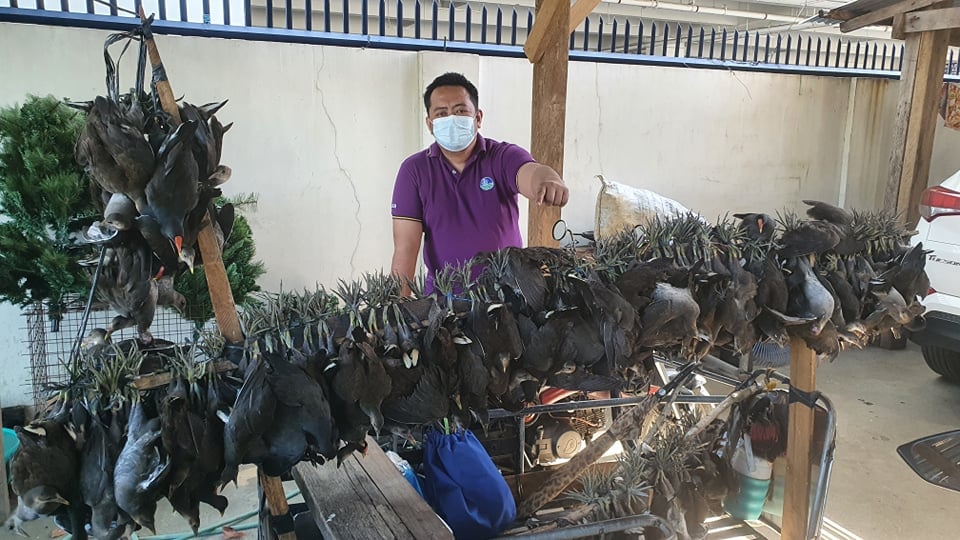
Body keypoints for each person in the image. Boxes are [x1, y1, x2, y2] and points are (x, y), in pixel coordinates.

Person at [390, 72, 569, 294]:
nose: (452, 119)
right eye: (441, 113)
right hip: (443, 305)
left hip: (507, 299)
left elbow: (530, 173)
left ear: (478, 118)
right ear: (430, 124)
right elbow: (406, 248)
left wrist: (548, 180)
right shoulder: (414, 171)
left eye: (460, 111)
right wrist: (396, 310)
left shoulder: (501, 156)